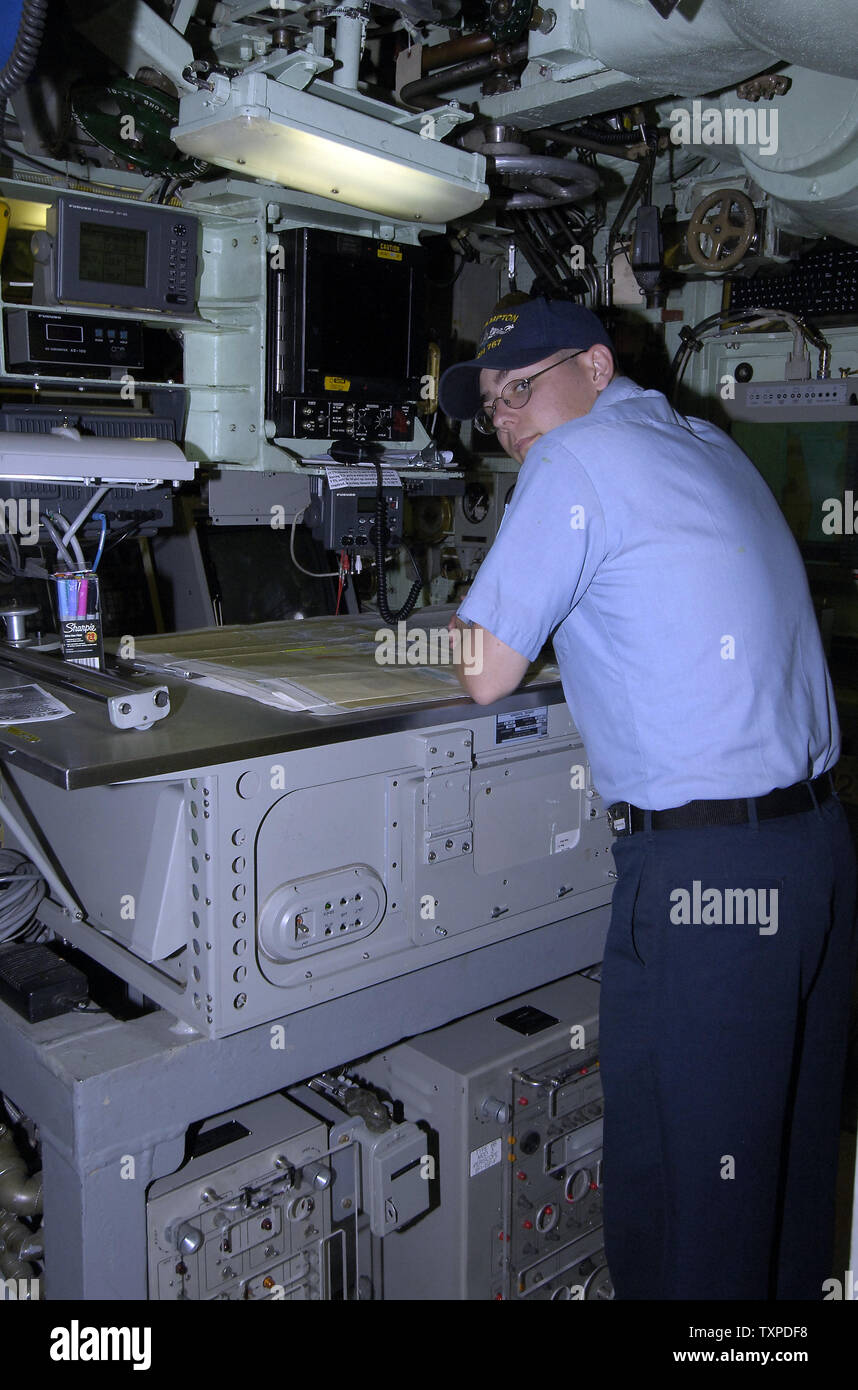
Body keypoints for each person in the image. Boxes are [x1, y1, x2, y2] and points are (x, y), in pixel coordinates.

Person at [438, 295, 857, 1300]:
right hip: (817, 855)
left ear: (592, 364)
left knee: (684, 1200)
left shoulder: (571, 461)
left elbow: (484, 670)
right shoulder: (706, 441)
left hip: (706, 881)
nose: (506, 417)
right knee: (785, 1171)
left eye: (522, 388)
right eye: (491, 404)